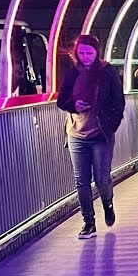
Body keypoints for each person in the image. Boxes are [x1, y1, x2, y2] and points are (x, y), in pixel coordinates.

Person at [56, 34, 126, 238]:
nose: (86, 57)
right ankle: (89, 223)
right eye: (82, 52)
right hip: (76, 133)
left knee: (102, 178)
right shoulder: (72, 73)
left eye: (90, 53)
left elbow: (118, 101)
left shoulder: (106, 71)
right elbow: (62, 101)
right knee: (81, 180)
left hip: (101, 133)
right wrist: (73, 105)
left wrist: (111, 125)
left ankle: (108, 202)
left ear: (97, 53)